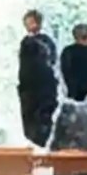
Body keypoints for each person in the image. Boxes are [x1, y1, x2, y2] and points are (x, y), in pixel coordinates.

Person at [17, 9, 59, 147]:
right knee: (31, 122)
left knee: (41, 121)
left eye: (32, 22)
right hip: (30, 88)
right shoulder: (27, 42)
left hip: (42, 88)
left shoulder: (44, 42)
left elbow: (51, 62)